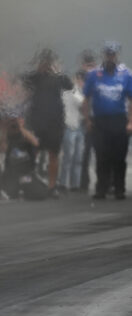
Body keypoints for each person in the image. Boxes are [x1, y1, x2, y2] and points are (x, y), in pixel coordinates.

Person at [82, 41, 132, 200]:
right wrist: (87, 120)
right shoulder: (94, 74)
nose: (110, 57)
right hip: (100, 121)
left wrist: (130, 122)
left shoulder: (126, 74)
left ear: (116, 55)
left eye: (113, 54)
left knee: (119, 157)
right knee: (102, 156)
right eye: (108, 54)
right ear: (104, 55)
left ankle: (119, 189)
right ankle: (101, 189)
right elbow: (86, 99)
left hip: (119, 120)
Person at [22, 49, 72, 197]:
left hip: (54, 123)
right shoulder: (34, 77)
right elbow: (22, 82)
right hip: (36, 122)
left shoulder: (59, 78)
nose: (46, 64)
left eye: (49, 62)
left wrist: (57, 71)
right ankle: (26, 184)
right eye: (44, 61)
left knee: (53, 155)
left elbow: (69, 85)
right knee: (32, 154)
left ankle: (51, 186)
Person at [57, 70, 86, 191]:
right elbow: (83, 104)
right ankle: (64, 183)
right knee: (69, 157)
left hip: (80, 126)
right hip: (70, 127)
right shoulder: (71, 92)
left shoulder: (80, 92)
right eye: (80, 79)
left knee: (77, 157)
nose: (82, 82)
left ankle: (74, 184)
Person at [79, 50, 97, 191]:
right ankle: (83, 181)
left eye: (92, 65)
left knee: (102, 152)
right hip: (84, 120)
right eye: (87, 65)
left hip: (98, 119)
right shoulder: (80, 80)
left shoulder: (99, 78)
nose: (89, 68)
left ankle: (105, 181)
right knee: (84, 153)